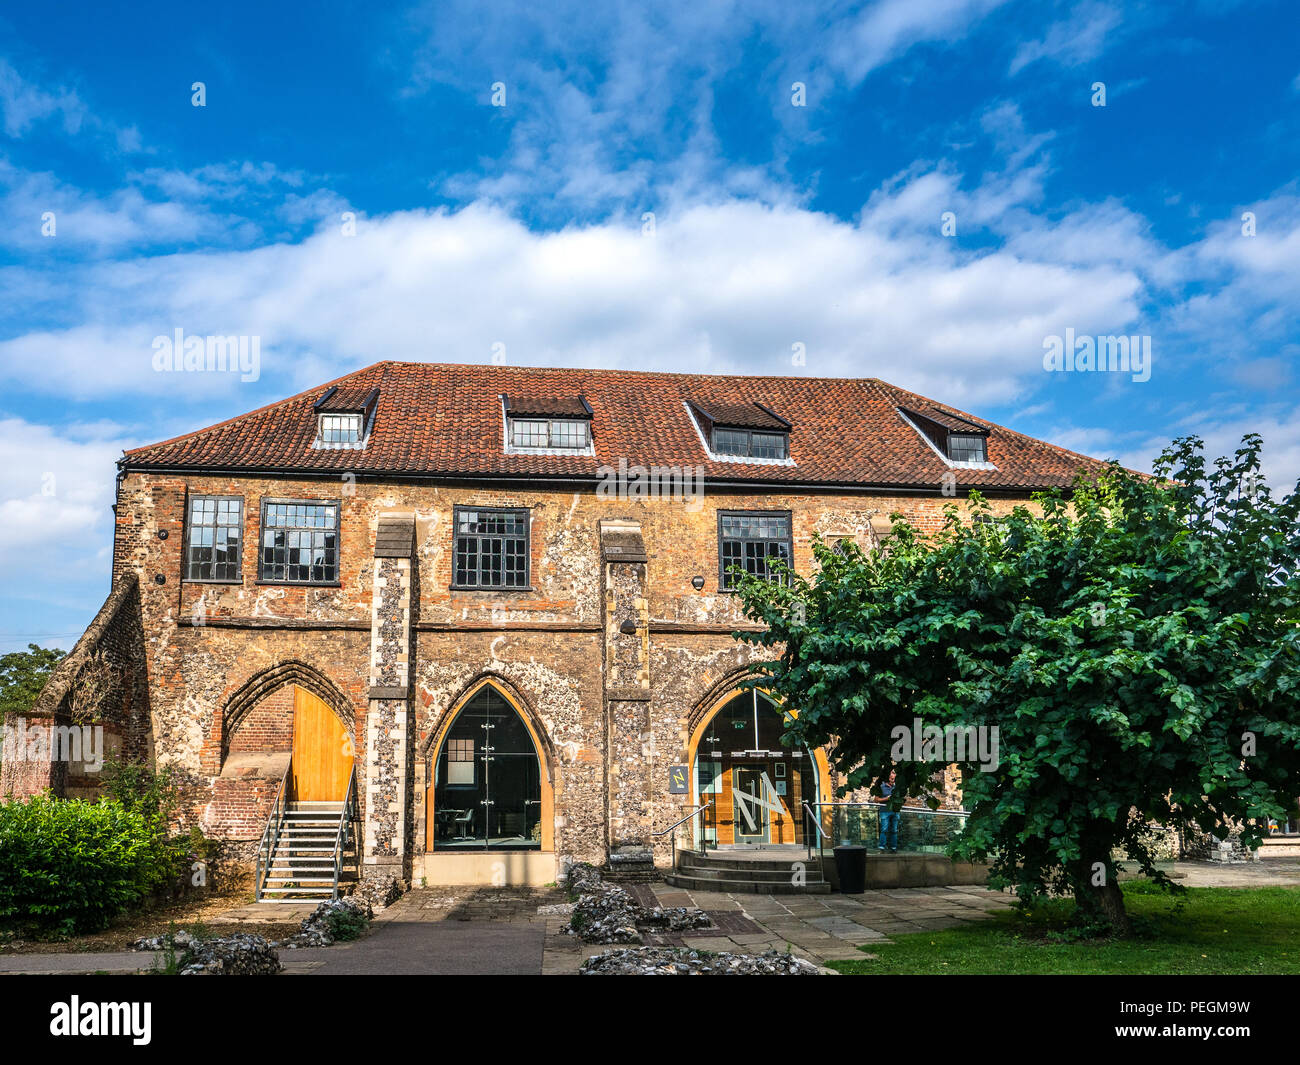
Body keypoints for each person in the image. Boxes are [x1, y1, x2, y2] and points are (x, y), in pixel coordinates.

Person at [877, 769, 899, 853]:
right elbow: (876, 800)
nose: (892, 779)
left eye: (894, 778)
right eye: (891, 778)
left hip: (895, 811)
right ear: (888, 778)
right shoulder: (881, 786)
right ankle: (882, 847)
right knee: (884, 830)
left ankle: (893, 848)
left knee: (894, 830)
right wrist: (887, 798)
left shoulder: (897, 787)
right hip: (885, 811)